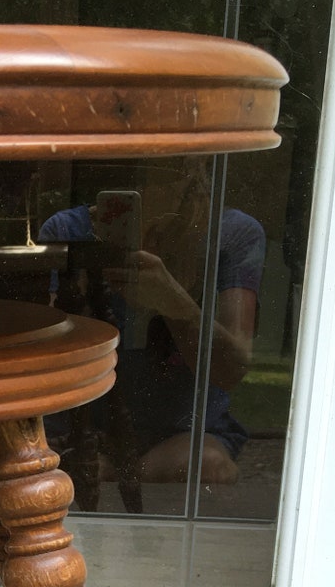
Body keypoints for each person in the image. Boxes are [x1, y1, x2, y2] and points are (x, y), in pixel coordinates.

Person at [38, 167, 265, 485]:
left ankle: (124, 476)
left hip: (182, 430)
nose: (145, 177)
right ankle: (124, 476)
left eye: (166, 169)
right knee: (63, 469)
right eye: (133, 166)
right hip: (85, 425)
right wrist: (80, 297)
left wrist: (173, 301)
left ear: (191, 171)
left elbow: (231, 369)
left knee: (208, 466)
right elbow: (44, 357)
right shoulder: (71, 230)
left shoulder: (230, 233)